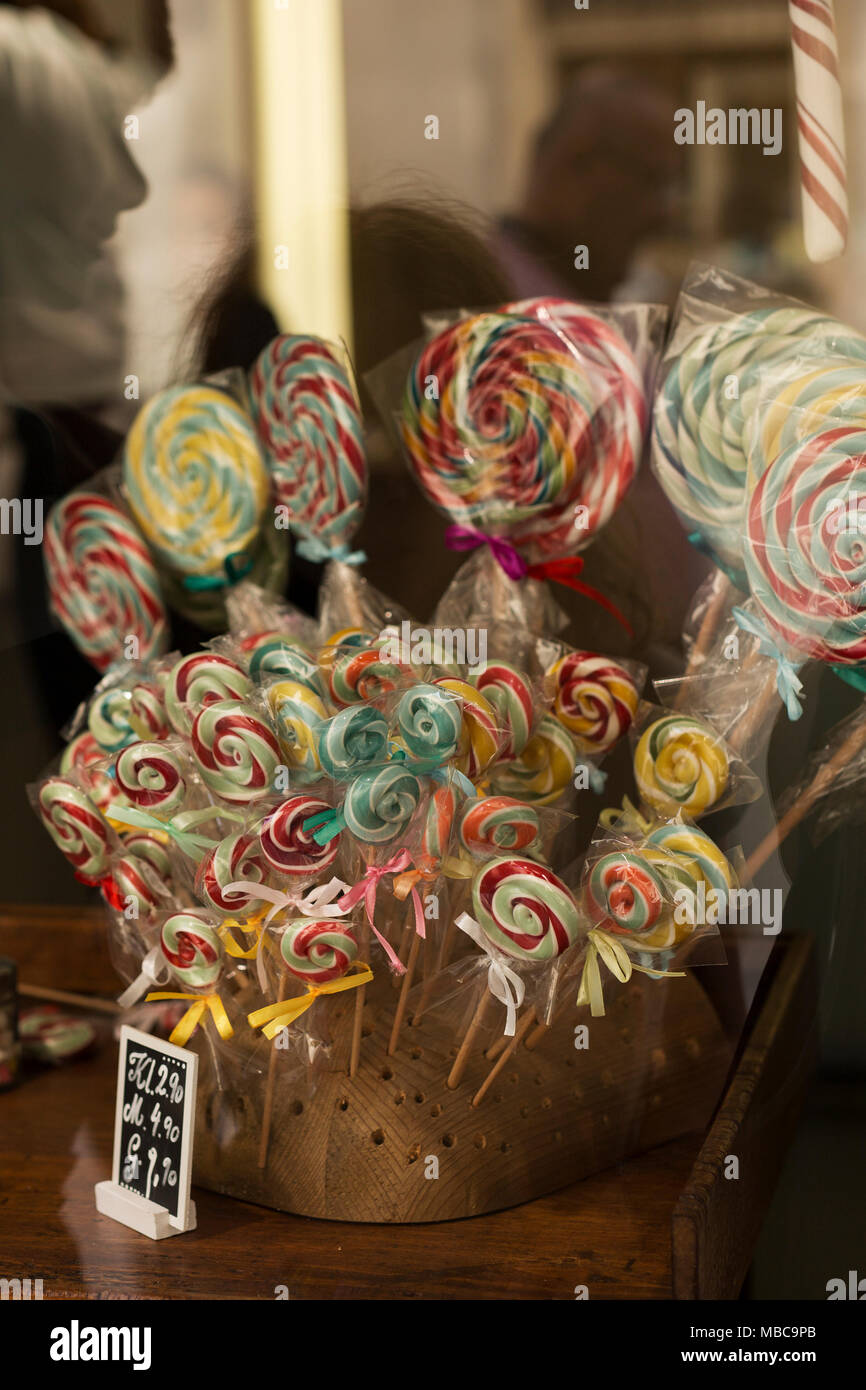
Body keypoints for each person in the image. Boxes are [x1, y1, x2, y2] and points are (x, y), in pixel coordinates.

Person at [492, 66, 682, 304]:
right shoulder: (493, 303)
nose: (663, 214)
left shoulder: (570, 294)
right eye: (649, 180)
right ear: (575, 160)